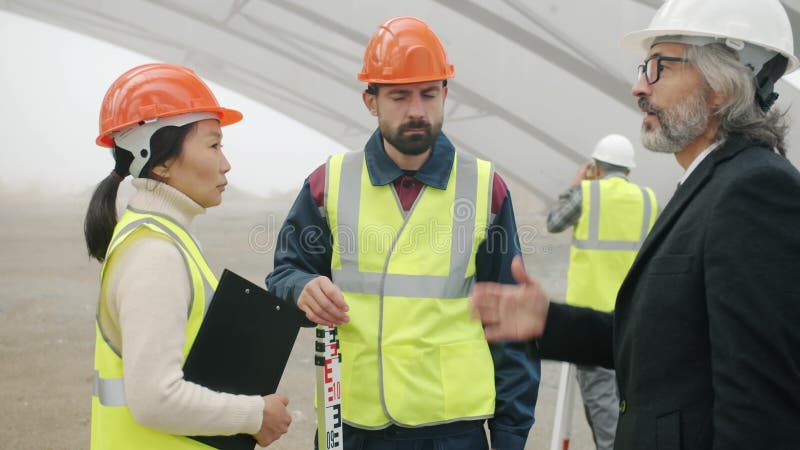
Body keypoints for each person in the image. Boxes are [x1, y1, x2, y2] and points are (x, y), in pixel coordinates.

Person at [470, 0, 800, 448]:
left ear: (722, 86)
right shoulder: (706, 185)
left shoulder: (754, 191)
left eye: (658, 67)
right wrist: (550, 322)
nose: (638, 87)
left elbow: (759, 409)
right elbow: (667, 343)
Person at [266, 16, 540, 450]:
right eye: (398, 96)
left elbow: (512, 324)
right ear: (370, 101)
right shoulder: (328, 185)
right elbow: (283, 276)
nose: (417, 110)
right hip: (352, 427)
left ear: (445, 95)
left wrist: (510, 436)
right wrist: (300, 287)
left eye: (429, 94)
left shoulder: (485, 189)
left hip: (454, 431)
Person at [85, 63, 291, 449]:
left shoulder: (162, 237)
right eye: (214, 145)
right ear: (160, 160)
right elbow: (155, 400)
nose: (226, 164)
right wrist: (255, 415)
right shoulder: (154, 253)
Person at [546, 134, 657, 450]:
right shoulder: (649, 200)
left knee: (600, 400)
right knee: (630, 398)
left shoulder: (587, 194)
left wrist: (574, 185)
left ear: (594, 166)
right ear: (629, 171)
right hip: (634, 317)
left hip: (588, 318)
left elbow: (554, 222)